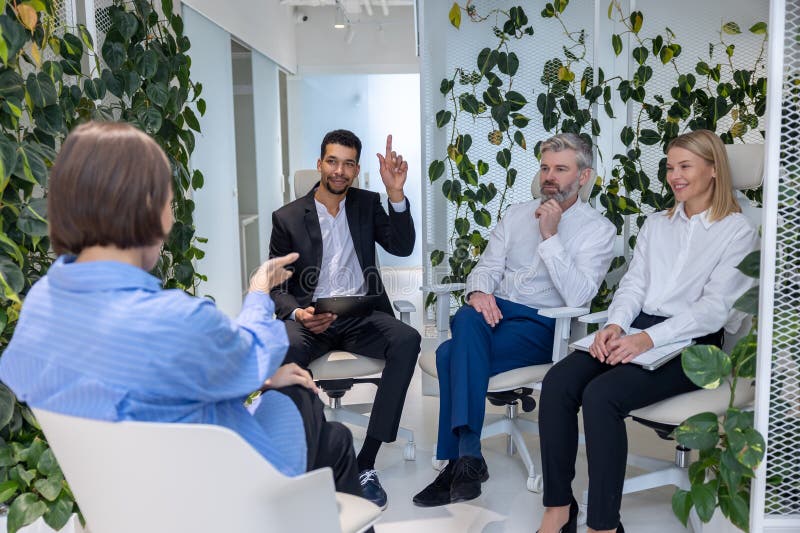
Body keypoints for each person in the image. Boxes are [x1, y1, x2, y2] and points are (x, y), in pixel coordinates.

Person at [0, 121, 364, 499]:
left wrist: (258, 377)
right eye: (168, 201)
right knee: (323, 425)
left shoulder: (42, 304)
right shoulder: (174, 321)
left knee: (311, 412)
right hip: (224, 496)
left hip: (138, 500)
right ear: (147, 208)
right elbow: (256, 352)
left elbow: (136, 383)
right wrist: (258, 291)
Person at [535, 129, 759, 533]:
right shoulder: (658, 224)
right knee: (559, 383)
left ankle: (603, 525)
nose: (674, 176)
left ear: (713, 170)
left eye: (685, 166)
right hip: (637, 329)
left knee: (602, 396)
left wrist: (647, 339)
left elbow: (712, 311)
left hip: (694, 345)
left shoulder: (737, 231)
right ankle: (558, 509)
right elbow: (634, 284)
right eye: (670, 167)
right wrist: (616, 325)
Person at [413, 133, 617, 507]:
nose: (549, 176)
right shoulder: (515, 214)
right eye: (544, 168)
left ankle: (460, 460)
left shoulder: (598, 230)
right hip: (495, 316)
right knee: (468, 313)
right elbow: (486, 268)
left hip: (544, 326)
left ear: (583, 176)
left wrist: (550, 236)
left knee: (447, 355)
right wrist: (478, 293)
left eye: (560, 168)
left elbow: (579, 297)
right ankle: (468, 458)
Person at [269, 129, 421, 509]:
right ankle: (310, 456)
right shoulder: (287, 218)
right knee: (285, 347)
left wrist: (396, 194)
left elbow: (402, 247)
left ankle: (364, 463)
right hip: (311, 319)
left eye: (348, 163)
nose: (340, 170)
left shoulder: (368, 204)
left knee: (407, 339)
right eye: (333, 161)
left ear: (356, 170)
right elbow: (276, 286)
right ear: (320, 163)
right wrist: (299, 312)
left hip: (361, 316)